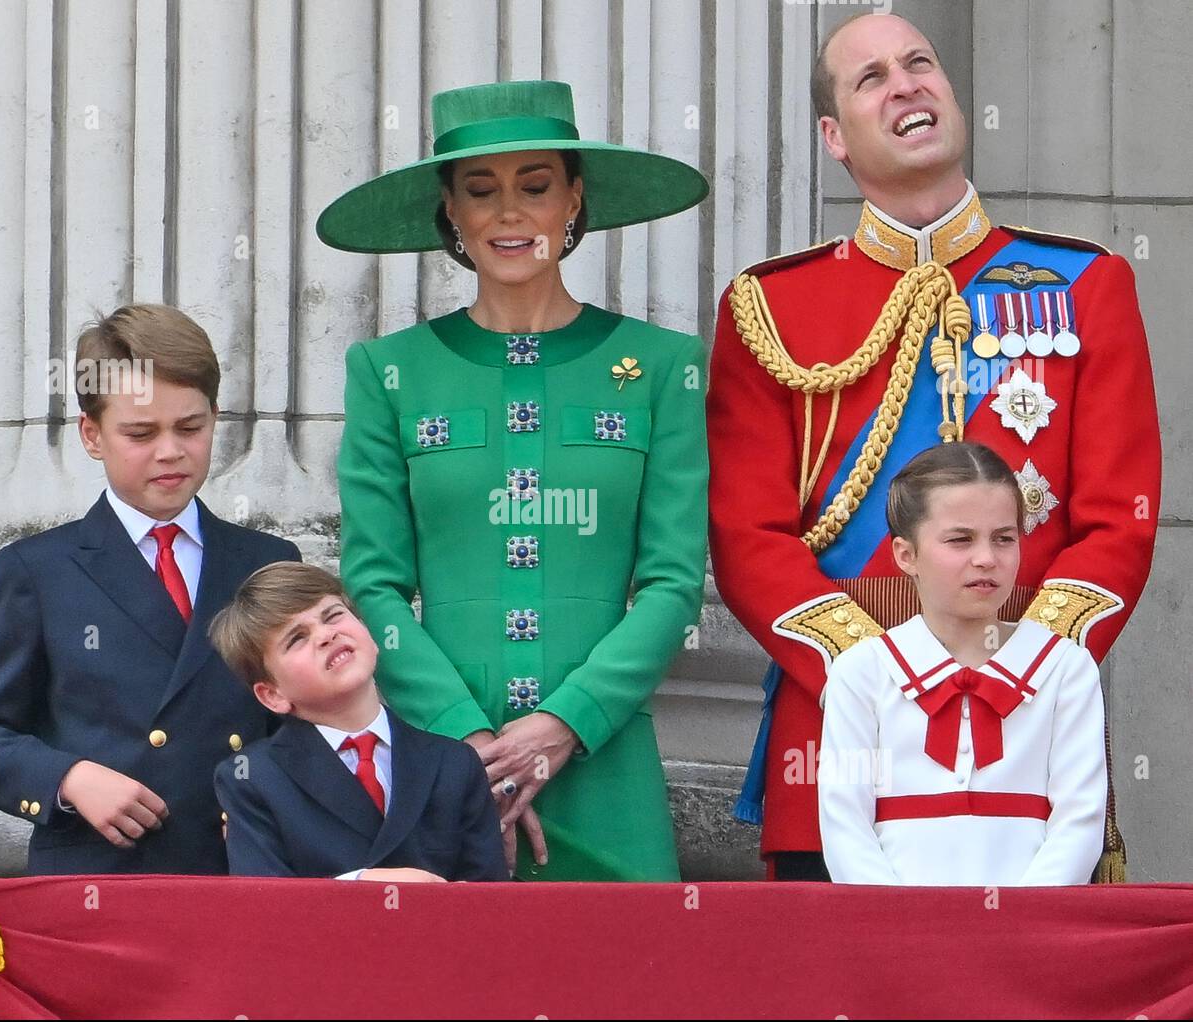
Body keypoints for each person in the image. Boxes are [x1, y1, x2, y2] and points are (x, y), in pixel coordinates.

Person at [707, 12, 1160, 881]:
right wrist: (880, 675)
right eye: (872, 76)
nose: (906, 82)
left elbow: (1119, 523)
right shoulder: (769, 308)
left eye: (920, 63)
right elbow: (745, 537)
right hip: (840, 721)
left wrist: (1022, 673)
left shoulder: (1087, 283)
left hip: (1032, 722)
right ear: (833, 136)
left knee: (1031, 1010)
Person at [317, 80, 710, 880]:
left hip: (605, 762)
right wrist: (470, 741)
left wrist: (566, 720)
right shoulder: (388, 372)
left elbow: (673, 583)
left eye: (535, 186)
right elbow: (375, 584)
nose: (509, 213)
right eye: (480, 190)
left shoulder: (665, 368)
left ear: (573, 198)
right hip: (444, 765)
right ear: (450, 212)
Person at [0, 305, 301, 875]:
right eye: (140, 432)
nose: (170, 451)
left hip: (245, 873)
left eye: (191, 427)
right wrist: (69, 779)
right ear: (92, 434)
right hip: (102, 880)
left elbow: (305, 727)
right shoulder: (38, 569)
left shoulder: (266, 561)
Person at [818, 443, 1106, 885]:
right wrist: (903, 927)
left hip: (1030, 936)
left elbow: (1080, 822)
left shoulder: (1066, 668)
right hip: (898, 936)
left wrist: (1020, 925)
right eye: (960, 539)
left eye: (1004, 538)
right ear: (905, 555)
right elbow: (844, 826)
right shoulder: (861, 672)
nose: (987, 558)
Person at [210, 562, 507, 881]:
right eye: (296, 638)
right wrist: (362, 885)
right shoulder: (252, 779)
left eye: (333, 615)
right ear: (272, 695)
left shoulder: (454, 763)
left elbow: (490, 899)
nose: (326, 635)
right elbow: (264, 907)